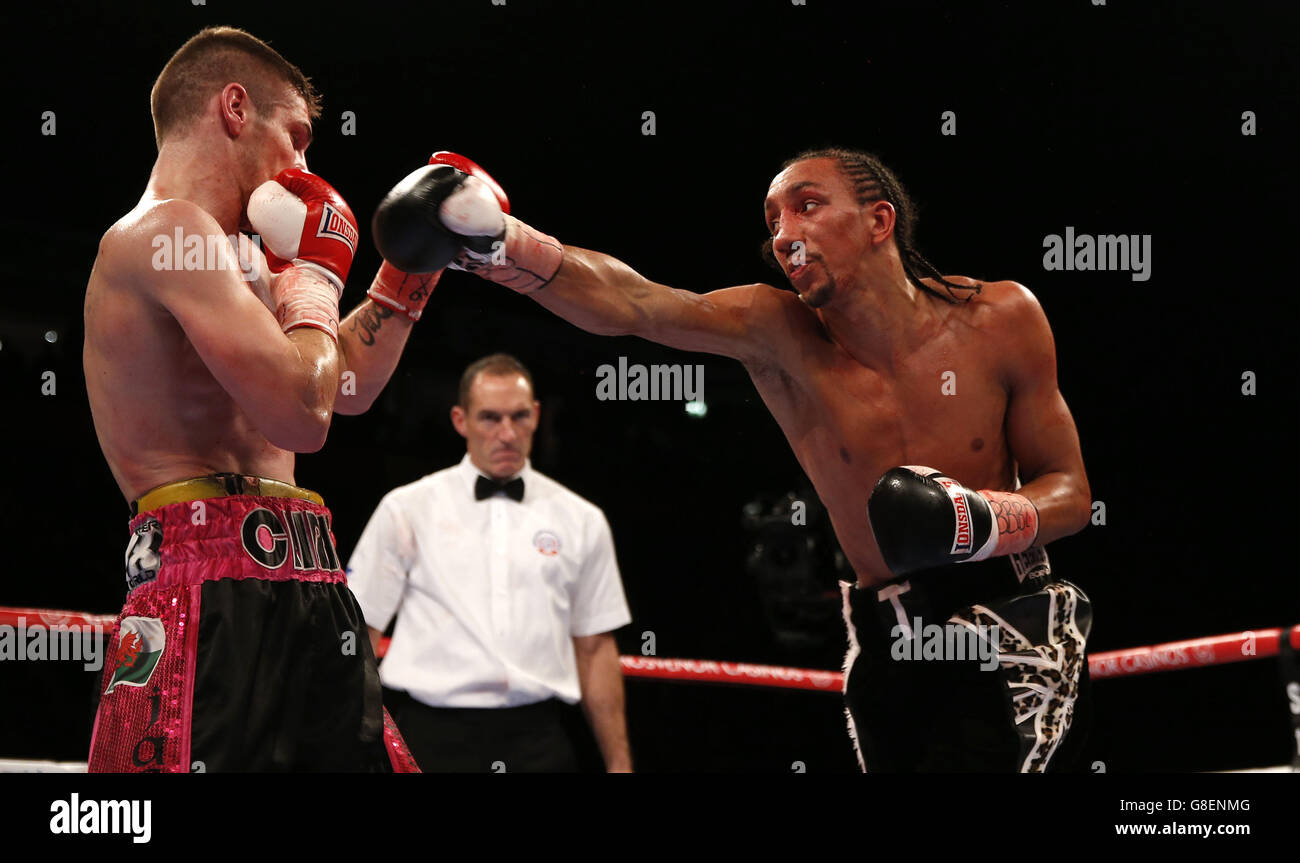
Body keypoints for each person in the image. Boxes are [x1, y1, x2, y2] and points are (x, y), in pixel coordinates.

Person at [375, 147, 1094, 772]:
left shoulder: (1000, 317)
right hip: (886, 638)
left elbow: (1070, 493)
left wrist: (979, 519)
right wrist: (501, 241)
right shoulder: (776, 330)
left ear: (881, 221)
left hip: (1004, 617)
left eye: (807, 206)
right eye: (773, 220)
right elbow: (632, 303)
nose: (785, 235)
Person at [82, 26, 439, 772]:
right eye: (297, 138)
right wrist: (314, 277)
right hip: (202, 586)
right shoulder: (162, 234)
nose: (304, 166)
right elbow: (298, 414)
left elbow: (340, 388)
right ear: (236, 108)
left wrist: (410, 270)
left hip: (309, 569)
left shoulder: (250, 257)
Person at [346, 354, 633, 772]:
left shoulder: (582, 519)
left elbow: (595, 648)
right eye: (490, 418)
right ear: (460, 420)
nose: (507, 433)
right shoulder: (406, 508)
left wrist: (620, 764)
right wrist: (349, 745)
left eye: (519, 417)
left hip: (540, 740)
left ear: (537, 416)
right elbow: (362, 631)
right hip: (430, 736)